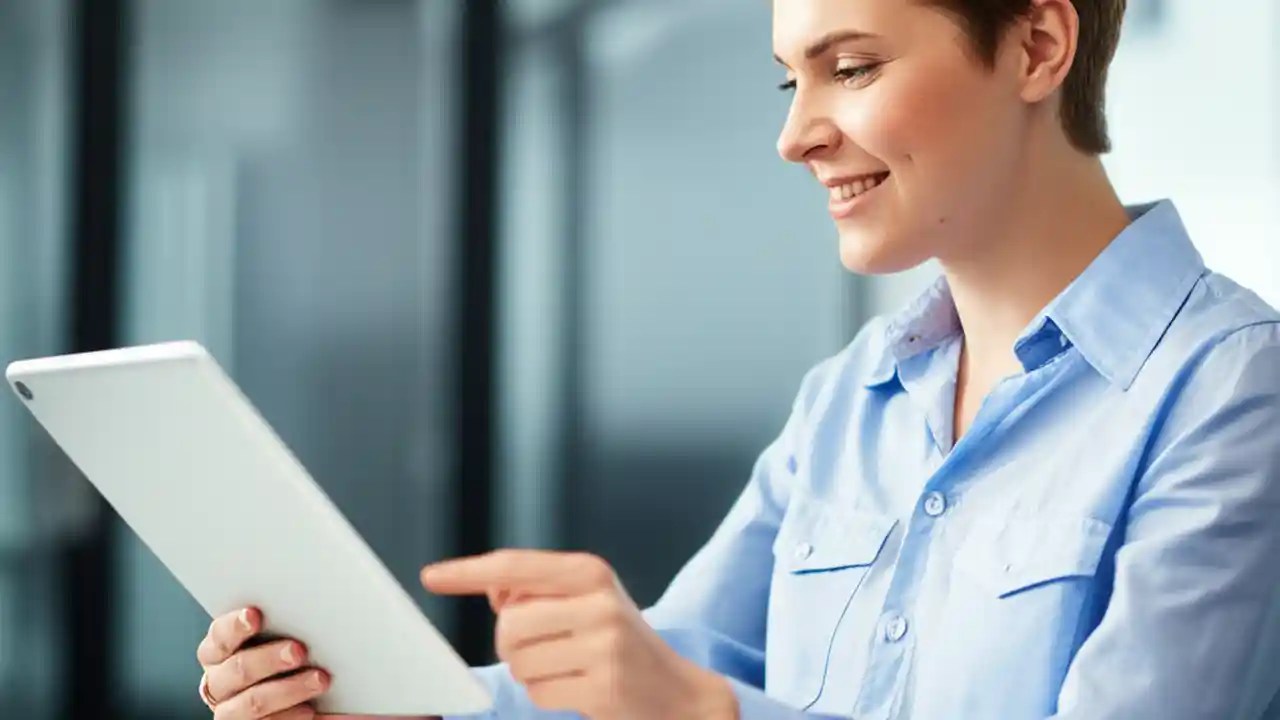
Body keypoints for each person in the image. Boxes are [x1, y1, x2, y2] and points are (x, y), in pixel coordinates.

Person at [192, 0, 1280, 718]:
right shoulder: (850, 395)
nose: (794, 133)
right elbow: (663, 665)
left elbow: (684, 702)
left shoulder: (1230, 391)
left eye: (848, 68)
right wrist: (376, 699)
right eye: (785, 83)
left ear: (1038, 46)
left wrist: (702, 715)